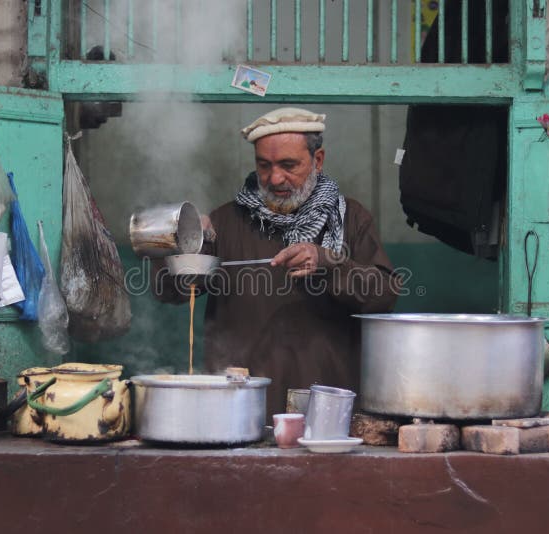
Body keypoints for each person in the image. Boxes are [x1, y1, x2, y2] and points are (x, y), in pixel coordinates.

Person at [155, 107, 400, 416]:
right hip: (239, 408)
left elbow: (385, 294)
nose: (274, 178)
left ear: (318, 160)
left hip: (327, 409)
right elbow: (171, 291)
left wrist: (328, 261)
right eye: (264, 165)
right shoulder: (226, 222)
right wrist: (185, 245)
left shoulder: (350, 219)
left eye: (288, 165)